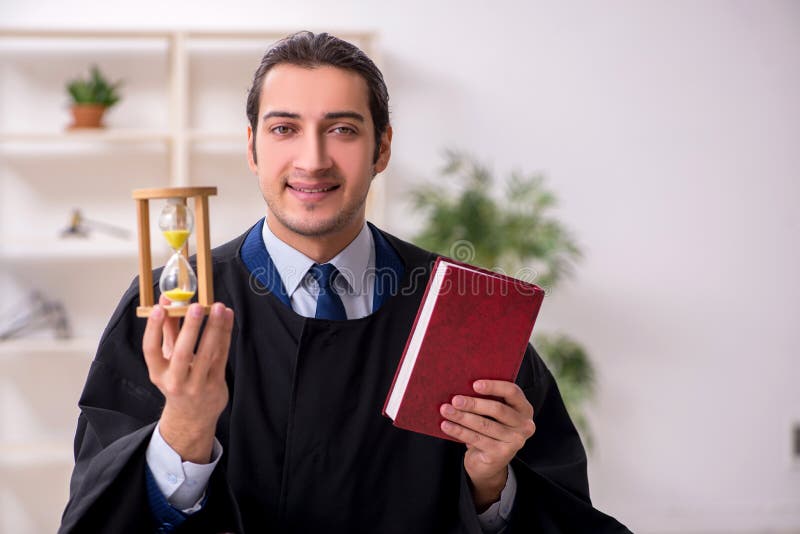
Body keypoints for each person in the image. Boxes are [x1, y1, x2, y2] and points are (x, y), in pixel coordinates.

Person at [59, 31, 630, 533]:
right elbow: (99, 514)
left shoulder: (466, 310)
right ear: (252, 147)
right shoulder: (173, 305)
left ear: (382, 147)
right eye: (285, 128)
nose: (313, 159)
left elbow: (557, 511)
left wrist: (490, 485)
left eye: (343, 130)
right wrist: (185, 425)